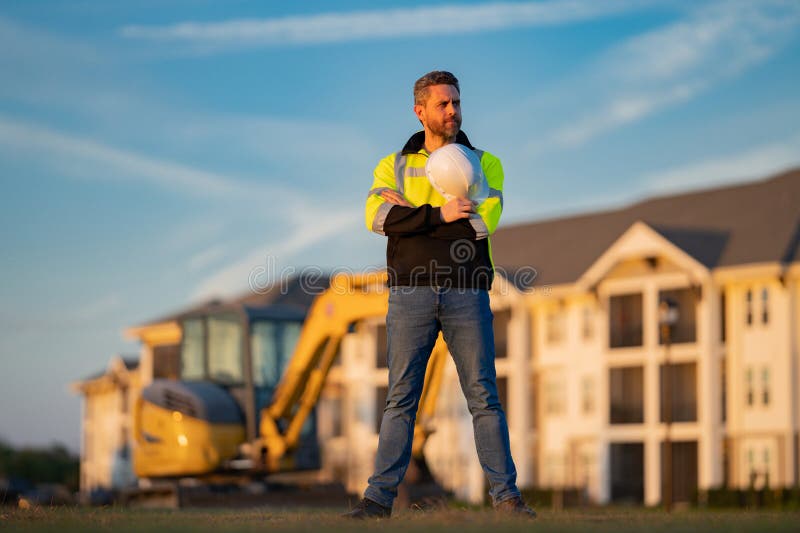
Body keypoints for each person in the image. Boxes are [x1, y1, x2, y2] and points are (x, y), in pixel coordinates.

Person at [343, 71, 536, 519]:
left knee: (483, 397)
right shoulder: (392, 165)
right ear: (420, 111)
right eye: (443, 104)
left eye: (457, 102)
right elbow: (376, 219)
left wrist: (412, 217)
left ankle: (507, 500)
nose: (453, 111)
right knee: (400, 399)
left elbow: (481, 225)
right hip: (409, 293)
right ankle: (377, 502)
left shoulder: (486, 164)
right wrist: (442, 213)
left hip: (467, 291)